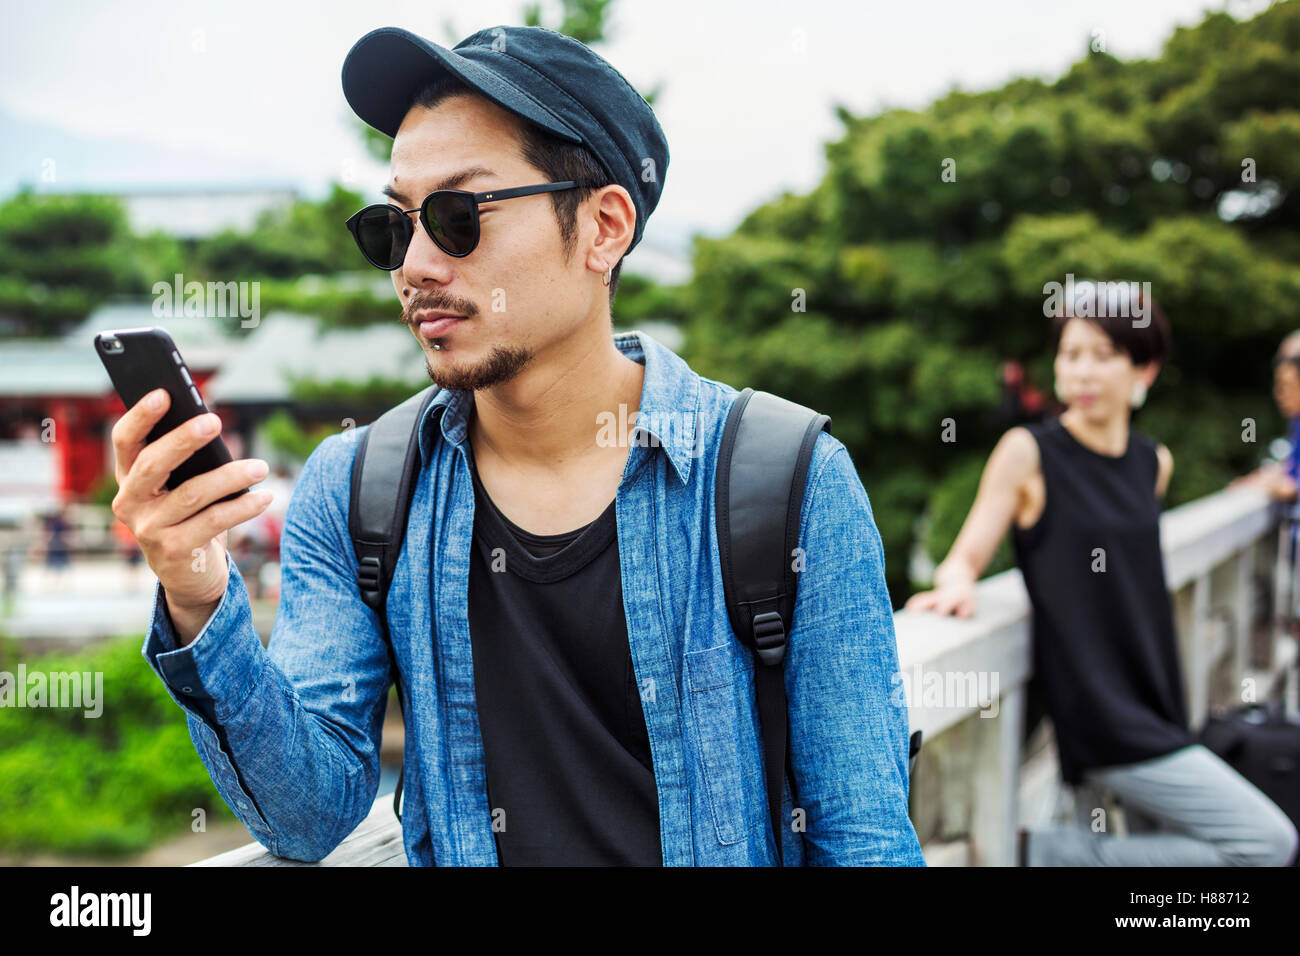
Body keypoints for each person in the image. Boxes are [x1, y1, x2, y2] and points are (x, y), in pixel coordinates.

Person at [111, 25, 922, 867]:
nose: (416, 264)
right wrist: (197, 592)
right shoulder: (360, 491)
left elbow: (862, 839)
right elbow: (309, 814)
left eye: (460, 216)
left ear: (604, 227)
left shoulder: (785, 482)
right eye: (395, 225)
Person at [905, 282, 1298, 866]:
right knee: (1267, 843)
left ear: (1145, 369)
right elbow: (966, 556)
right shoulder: (1029, 453)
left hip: (1158, 695)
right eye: (1070, 353)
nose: (1082, 371)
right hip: (1101, 710)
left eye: (1103, 354)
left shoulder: (1152, 462)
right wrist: (957, 582)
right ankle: (1040, 854)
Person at [1228, 344, 1300, 502]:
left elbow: (1291, 487)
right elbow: (1290, 470)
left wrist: (1261, 485)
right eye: (1277, 385)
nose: (1279, 394)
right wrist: (1257, 480)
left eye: (1286, 385)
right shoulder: (1295, 423)